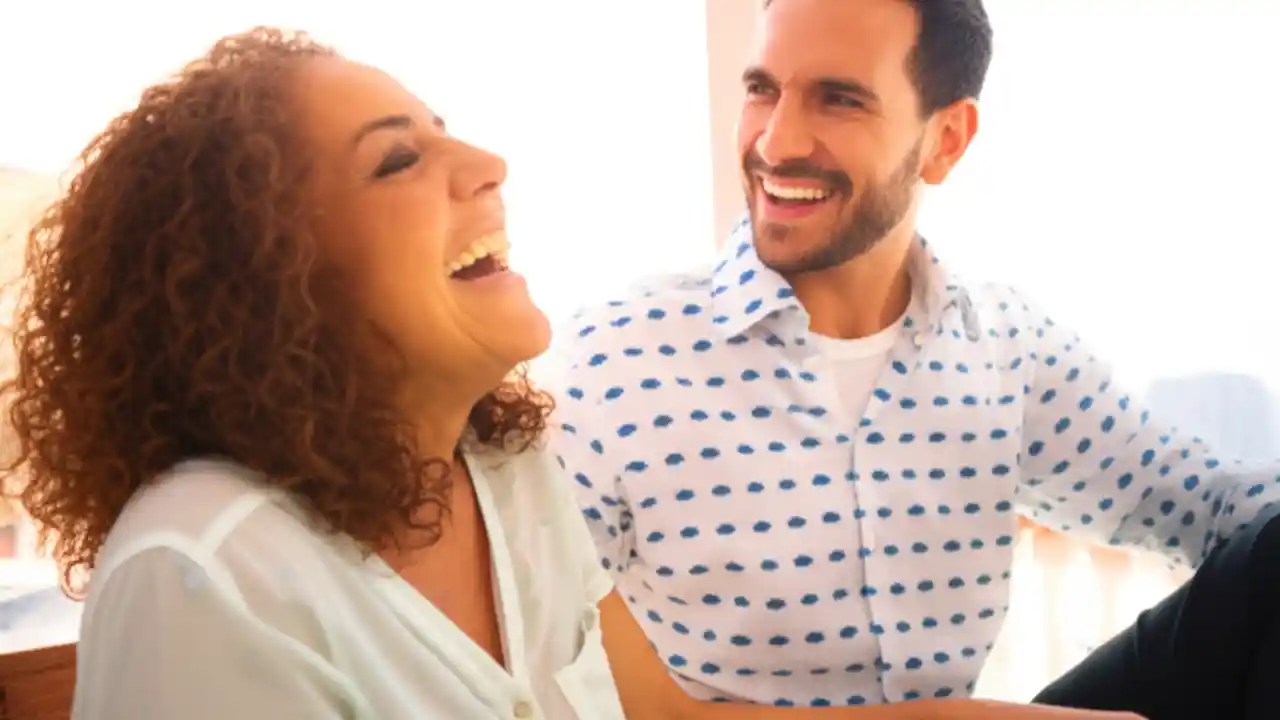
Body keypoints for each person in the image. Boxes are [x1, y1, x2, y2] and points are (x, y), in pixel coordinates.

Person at [0, 26, 1139, 720]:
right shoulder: (205, 575)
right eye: (399, 158)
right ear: (267, 279)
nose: (486, 163)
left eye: (445, 131)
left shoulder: (509, 472)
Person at [553, 0, 1280, 716]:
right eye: (762, 90)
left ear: (947, 139)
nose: (776, 141)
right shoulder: (621, 359)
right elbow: (536, 655)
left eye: (838, 100)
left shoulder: (1005, 348)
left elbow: (1210, 510)